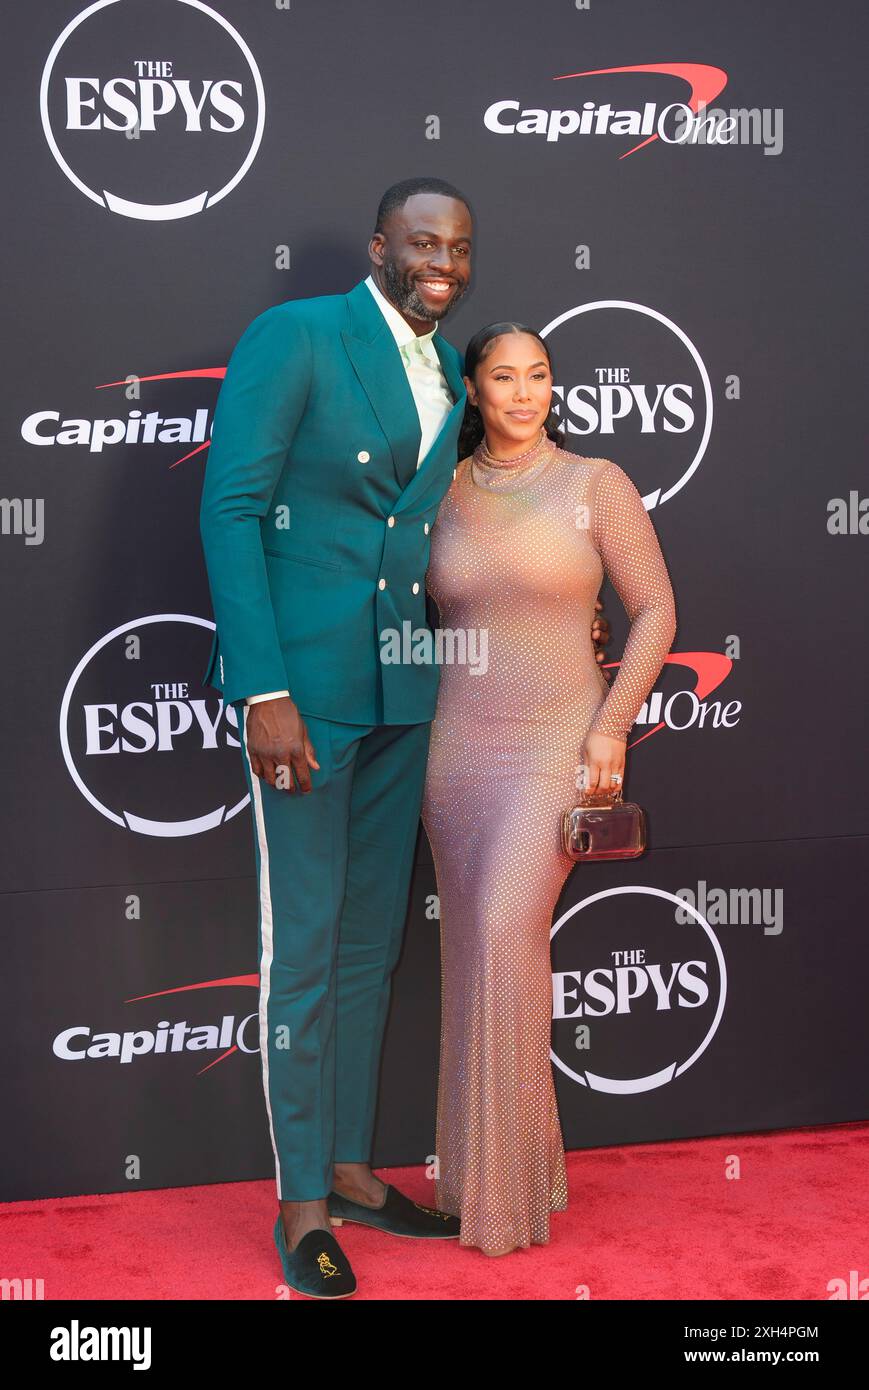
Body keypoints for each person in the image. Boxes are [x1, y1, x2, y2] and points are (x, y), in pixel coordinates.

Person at [199, 177, 611, 1298]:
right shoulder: (297, 336)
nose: (443, 262)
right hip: (307, 699)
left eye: (460, 248)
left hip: (404, 698)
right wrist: (260, 689)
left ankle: (347, 1167)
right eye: (423, 242)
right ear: (381, 245)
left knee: (372, 943)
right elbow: (231, 508)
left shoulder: (447, 372)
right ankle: (297, 1206)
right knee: (306, 945)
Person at [421, 322, 677, 1257]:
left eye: (538, 376)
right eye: (502, 377)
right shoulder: (438, 491)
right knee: (473, 957)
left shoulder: (592, 483)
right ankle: (484, 1176)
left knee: (502, 931)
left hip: (557, 745)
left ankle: (504, 1200)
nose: (523, 393)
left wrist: (610, 724)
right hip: (455, 752)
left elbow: (654, 609)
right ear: (473, 392)